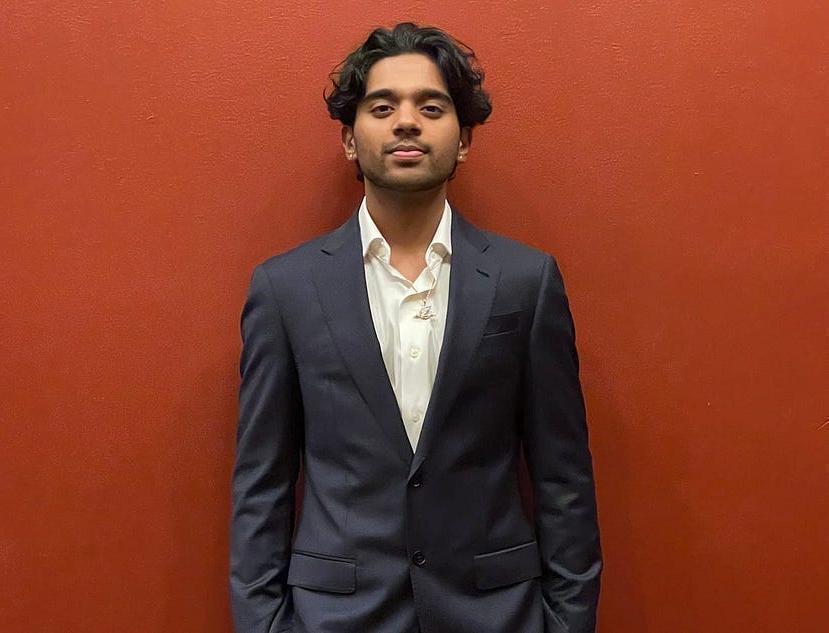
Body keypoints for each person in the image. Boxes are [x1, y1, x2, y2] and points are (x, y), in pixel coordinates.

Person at [229, 22, 602, 633]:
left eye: (431, 107)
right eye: (382, 108)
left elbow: (564, 477)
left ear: (464, 140)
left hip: (498, 614)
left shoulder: (525, 281)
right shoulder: (286, 289)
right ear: (349, 140)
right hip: (335, 618)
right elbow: (260, 483)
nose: (407, 122)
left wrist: (567, 622)